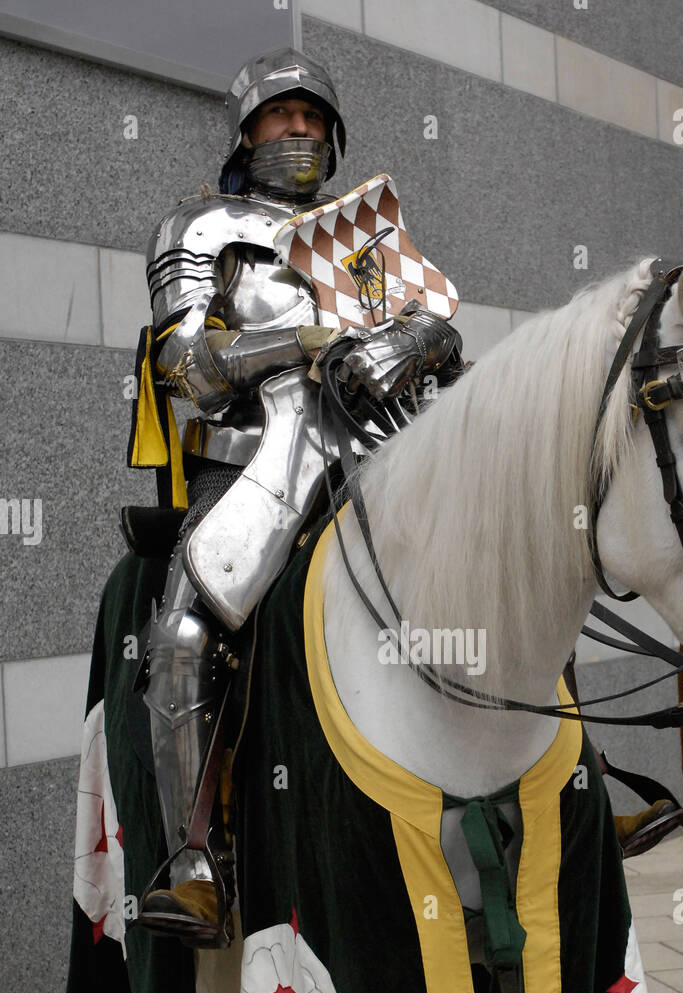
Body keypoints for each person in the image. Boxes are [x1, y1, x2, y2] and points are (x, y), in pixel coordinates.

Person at [131, 47, 462, 943]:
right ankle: (194, 861)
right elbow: (185, 369)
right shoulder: (200, 229)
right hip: (254, 461)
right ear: (246, 131)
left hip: (383, 451)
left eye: (314, 117)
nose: (300, 130)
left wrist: (422, 338)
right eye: (282, 115)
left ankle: (558, 786)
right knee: (185, 630)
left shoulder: (362, 233)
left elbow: (432, 332)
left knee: (502, 559)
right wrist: (296, 345)